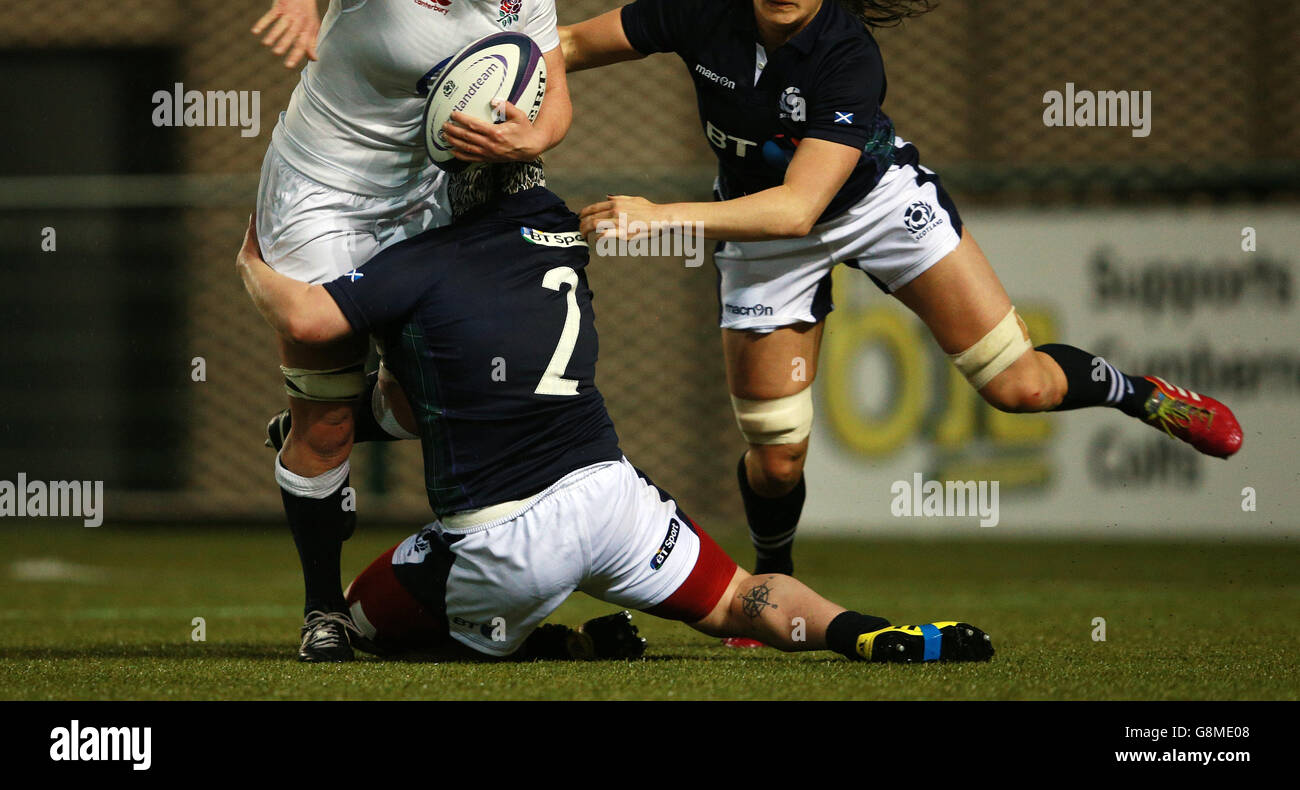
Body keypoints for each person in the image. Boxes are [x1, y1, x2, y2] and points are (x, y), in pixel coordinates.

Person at [558, 0, 1244, 584]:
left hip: (872, 206)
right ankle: (775, 581)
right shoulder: (698, 10)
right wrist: (499, 83)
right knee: (775, 457)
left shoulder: (848, 55)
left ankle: (1139, 393)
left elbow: (799, 206)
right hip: (761, 227)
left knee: (1020, 389)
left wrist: (659, 216)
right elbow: (570, 44)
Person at [235, 176, 996, 665]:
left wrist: (254, 263)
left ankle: (549, 646)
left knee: (365, 619)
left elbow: (307, 315)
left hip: (510, 541)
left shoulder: (423, 262)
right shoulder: (553, 223)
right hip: (612, 497)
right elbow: (438, 395)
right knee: (739, 597)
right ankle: (864, 630)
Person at [221, 0, 581, 661]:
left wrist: (534, 139)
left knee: (466, 393)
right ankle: (323, 610)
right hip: (320, 194)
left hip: (428, 199)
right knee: (325, 416)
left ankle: (345, 414)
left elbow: (551, 86)